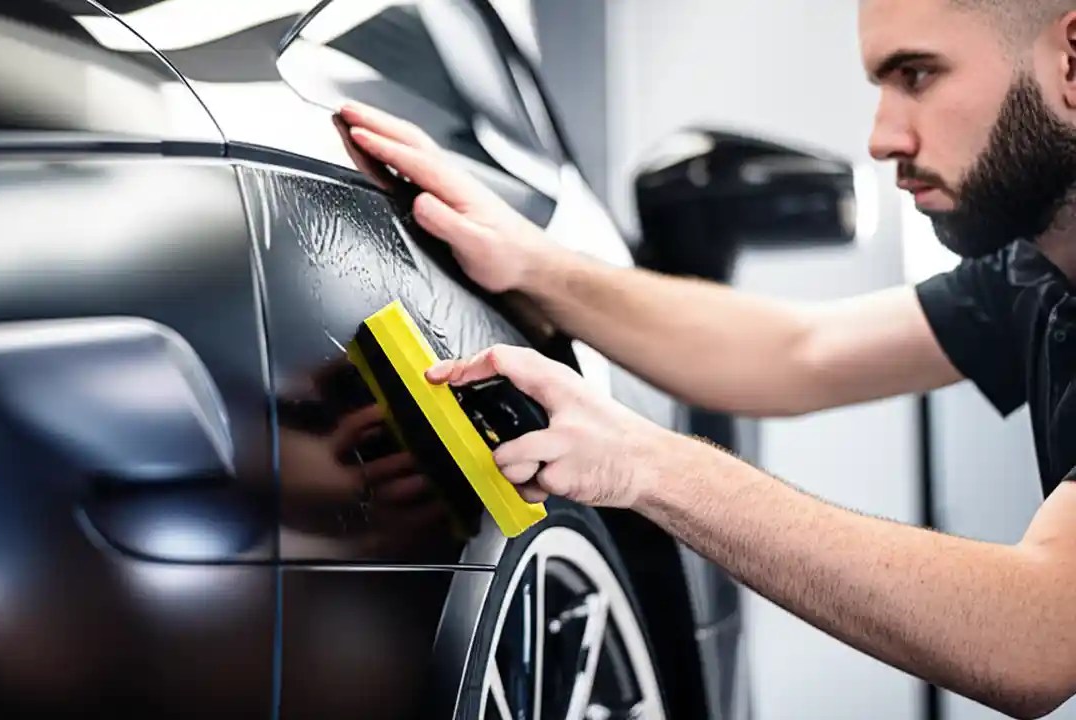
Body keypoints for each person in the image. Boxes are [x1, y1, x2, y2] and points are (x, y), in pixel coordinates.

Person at [335, 0, 1076, 717]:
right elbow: (798, 353)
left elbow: (1035, 633)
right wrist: (536, 266)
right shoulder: (1033, 275)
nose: (882, 137)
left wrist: (643, 464)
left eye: (917, 75)